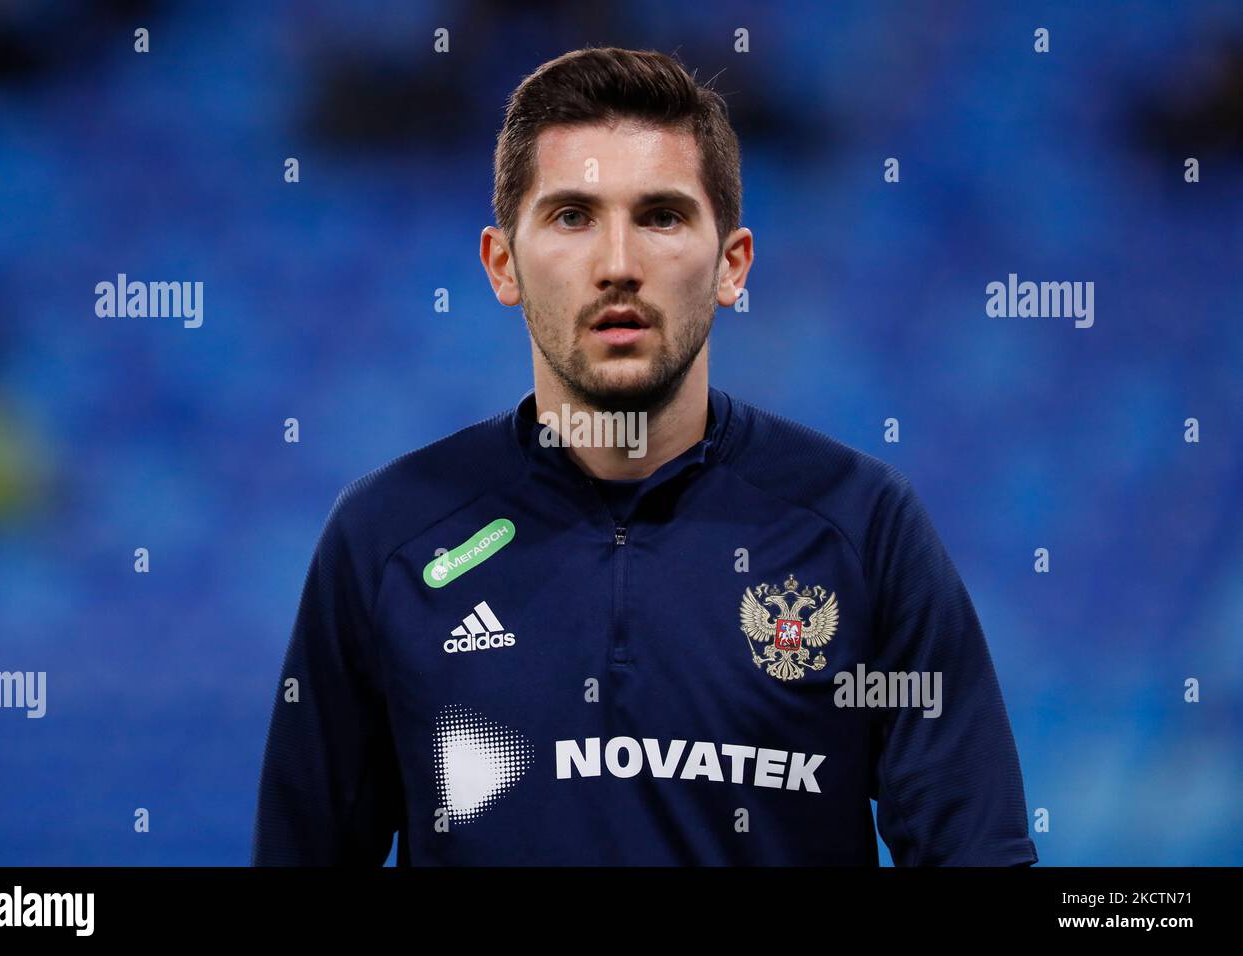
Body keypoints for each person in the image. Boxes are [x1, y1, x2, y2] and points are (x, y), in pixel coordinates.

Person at [251, 46, 1038, 866]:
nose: (617, 266)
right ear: (501, 265)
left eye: (660, 216)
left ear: (732, 265)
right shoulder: (388, 536)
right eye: (572, 217)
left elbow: (977, 854)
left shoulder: (860, 526)